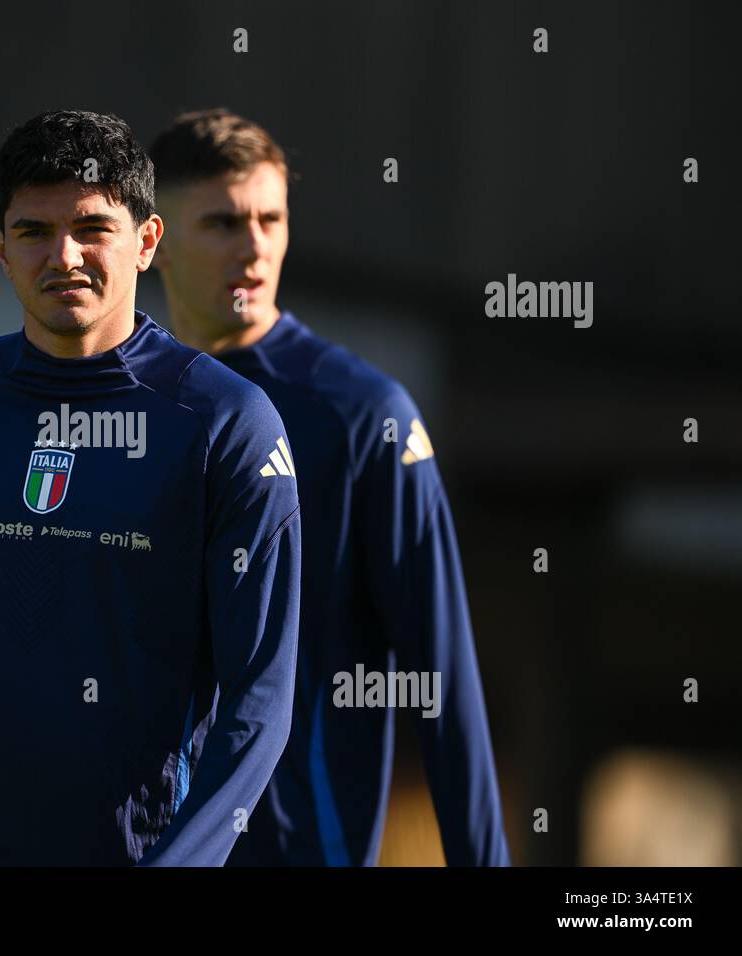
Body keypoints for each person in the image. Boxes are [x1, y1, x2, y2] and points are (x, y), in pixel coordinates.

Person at [0, 109, 303, 866]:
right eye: (34, 231)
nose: (63, 256)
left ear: (147, 241)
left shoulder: (226, 423)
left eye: (92, 228)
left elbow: (261, 699)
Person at [149, 108, 510, 866]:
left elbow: (443, 679)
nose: (254, 247)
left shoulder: (363, 416)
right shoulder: (117, 402)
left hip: (294, 850)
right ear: (154, 240)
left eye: (270, 218)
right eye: (221, 222)